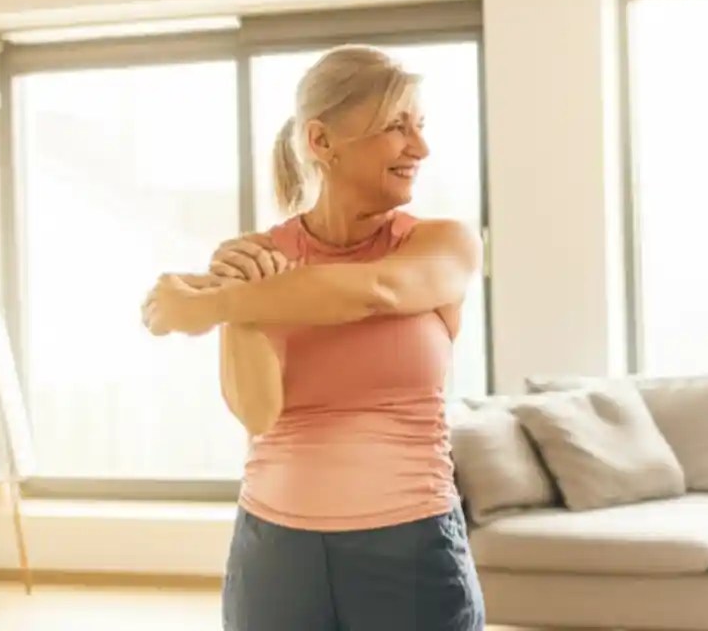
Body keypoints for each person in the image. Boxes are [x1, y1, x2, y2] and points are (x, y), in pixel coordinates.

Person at [141, 45, 485, 631]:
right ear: (322, 142)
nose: (419, 148)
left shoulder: (442, 243)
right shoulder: (258, 262)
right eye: (396, 128)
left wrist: (203, 305)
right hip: (278, 554)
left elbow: (376, 290)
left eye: (420, 127)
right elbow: (257, 411)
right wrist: (236, 303)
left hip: (413, 547)